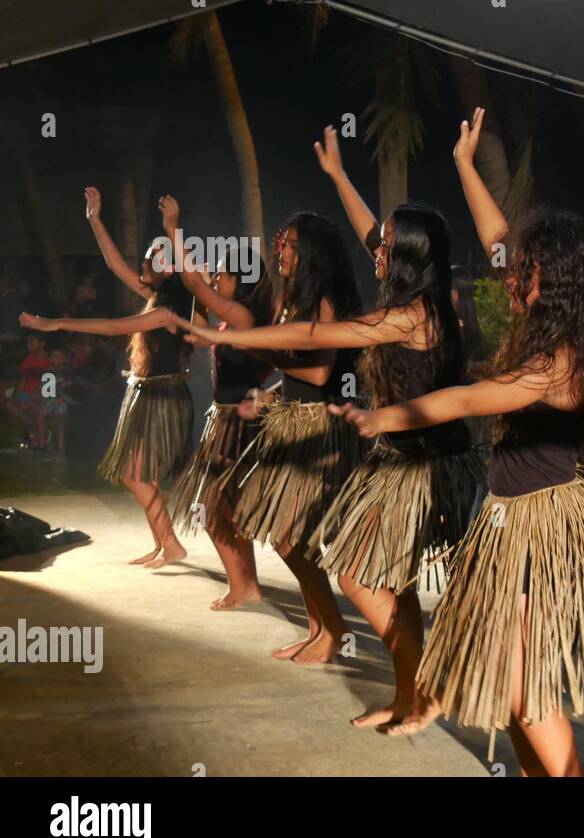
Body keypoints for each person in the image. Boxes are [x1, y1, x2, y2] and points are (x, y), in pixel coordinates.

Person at [328, 109, 584, 775]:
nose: (509, 273)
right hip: (510, 516)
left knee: (528, 692)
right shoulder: (556, 324)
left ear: (550, 282)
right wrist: (467, 164)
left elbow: (472, 400)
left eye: (524, 269)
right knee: (512, 686)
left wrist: (389, 417)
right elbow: (501, 237)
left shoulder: (560, 360)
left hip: (539, 528)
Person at [181, 126, 485, 732]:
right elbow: (371, 230)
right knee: (392, 585)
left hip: (421, 462)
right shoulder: (418, 295)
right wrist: (339, 174)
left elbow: (317, 341)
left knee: (359, 572)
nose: (375, 245)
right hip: (402, 454)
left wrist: (231, 337)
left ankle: (421, 688)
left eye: (387, 243)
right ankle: (413, 695)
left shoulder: (411, 315)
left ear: (406, 257)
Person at [211, 211, 363, 665]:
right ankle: (319, 629)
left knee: (290, 536)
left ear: (313, 252)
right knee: (286, 536)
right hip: (294, 421)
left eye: (294, 245)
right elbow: (298, 376)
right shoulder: (298, 300)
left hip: (321, 430)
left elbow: (319, 372)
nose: (284, 252)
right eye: (285, 244)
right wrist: (269, 392)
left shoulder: (328, 301)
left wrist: (259, 351)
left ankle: (333, 630)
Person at [20, 186, 195, 567]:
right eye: (149, 255)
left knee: (135, 474)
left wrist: (58, 323)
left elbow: (115, 327)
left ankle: (171, 543)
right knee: (135, 473)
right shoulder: (157, 296)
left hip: (163, 396)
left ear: (169, 268)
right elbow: (117, 267)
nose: (145, 261)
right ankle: (165, 542)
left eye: (154, 257)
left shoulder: (173, 308)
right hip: (145, 392)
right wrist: (94, 220)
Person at [159, 195, 274, 611]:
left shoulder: (244, 319)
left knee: (214, 506)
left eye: (224, 273)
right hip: (225, 422)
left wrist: (174, 228)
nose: (217, 278)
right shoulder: (234, 319)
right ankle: (246, 584)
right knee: (224, 508)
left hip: (240, 424)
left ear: (239, 280)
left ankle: (244, 584)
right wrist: (201, 293)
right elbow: (199, 328)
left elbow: (194, 286)